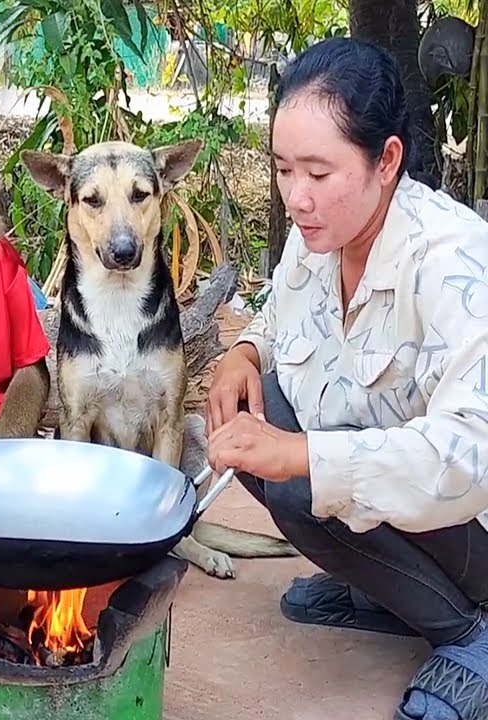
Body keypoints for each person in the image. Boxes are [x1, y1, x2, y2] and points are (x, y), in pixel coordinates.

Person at [206, 36, 488, 720]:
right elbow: (281, 318)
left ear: (386, 160)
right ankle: (388, 594)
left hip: (474, 520)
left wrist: (302, 454)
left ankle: (470, 636)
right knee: (261, 419)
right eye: (282, 170)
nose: (296, 199)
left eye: (319, 173)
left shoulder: (455, 263)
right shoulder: (321, 236)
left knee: (297, 481)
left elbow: (472, 457)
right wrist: (244, 352)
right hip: (406, 507)